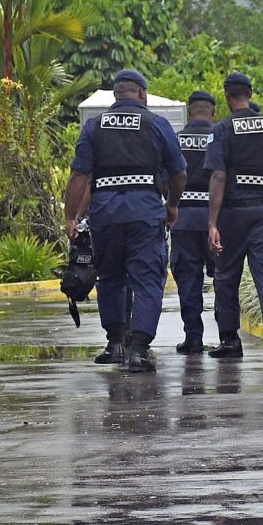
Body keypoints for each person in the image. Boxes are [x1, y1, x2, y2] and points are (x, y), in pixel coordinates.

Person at [63, 68, 186, 373]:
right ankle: (140, 351)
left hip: (105, 214)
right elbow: (179, 172)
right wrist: (172, 205)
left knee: (111, 278)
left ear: (116, 94)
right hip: (145, 212)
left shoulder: (94, 127)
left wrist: (71, 217)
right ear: (142, 94)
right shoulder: (157, 124)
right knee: (146, 279)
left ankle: (115, 343)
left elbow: (79, 175)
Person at [204, 71, 263, 361]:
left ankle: (229, 340)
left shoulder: (223, 129)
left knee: (227, 275)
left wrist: (213, 222)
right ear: (250, 93)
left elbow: (218, 176)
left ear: (227, 96)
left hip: (234, 212)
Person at [170, 91, 218, 353]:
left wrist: (170, 207)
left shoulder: (177, 140)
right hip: (216, 222)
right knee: (223, 277)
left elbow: (166, 176)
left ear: (190, 112)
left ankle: (193, 337)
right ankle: (227, 336)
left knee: (188, 280)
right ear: (213, 111)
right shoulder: (221, 137)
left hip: (184, 220)